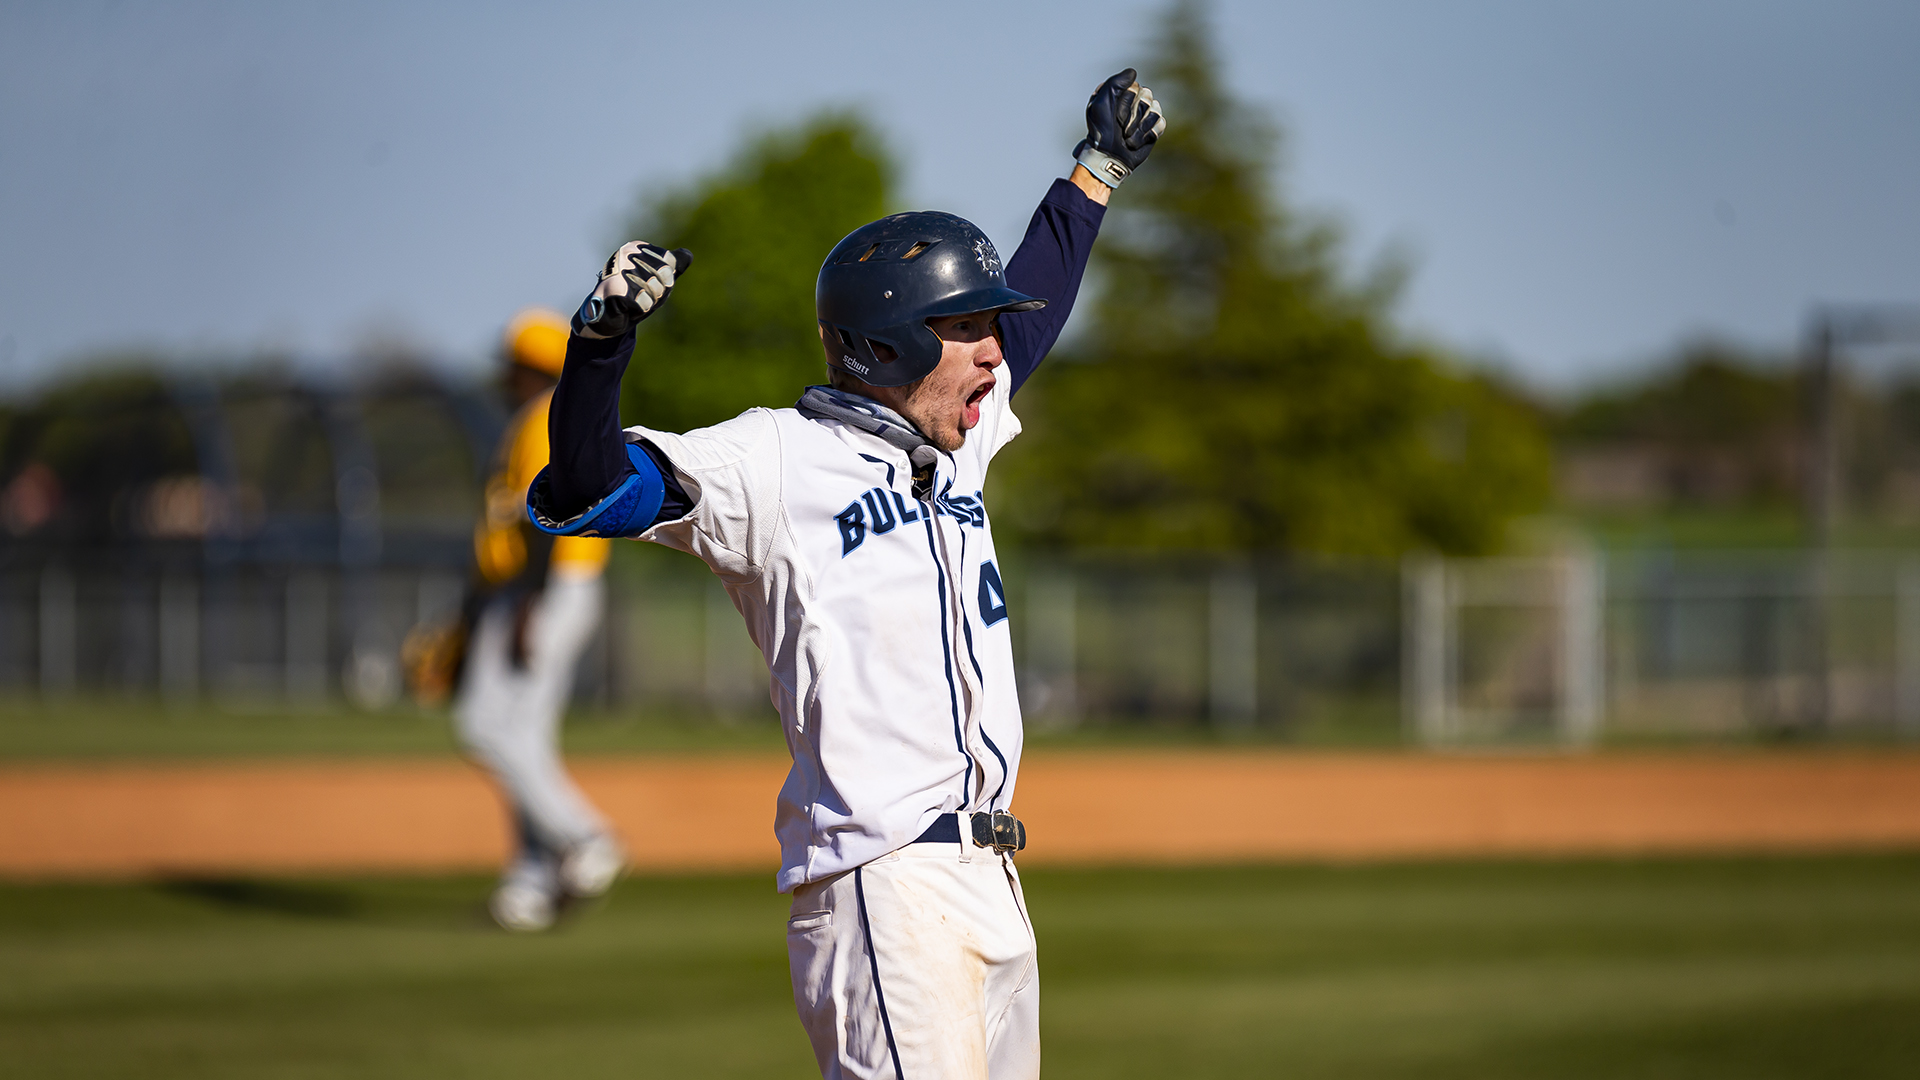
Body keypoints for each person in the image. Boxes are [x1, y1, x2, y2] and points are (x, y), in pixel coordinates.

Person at [529, 70, 1164, 1078]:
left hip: (991, 878)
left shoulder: (956, 438)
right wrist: (603, 343)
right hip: (884, 885)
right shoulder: (773, 462)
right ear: (888, 344)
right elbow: (595, 490)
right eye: (965, 328)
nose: (995, 352)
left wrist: (1097, 174)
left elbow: (1033, 326)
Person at [456, 307, 626, 933]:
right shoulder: (533, 419)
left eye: (513, 367)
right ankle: (531, 879)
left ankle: (585, 838)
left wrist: (529, 602)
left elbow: (543, 515)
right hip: (534, 587)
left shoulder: (543, 417)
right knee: (522, 740)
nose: (505, 378)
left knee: (486, 730)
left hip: (547, 584)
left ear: (533, 368)